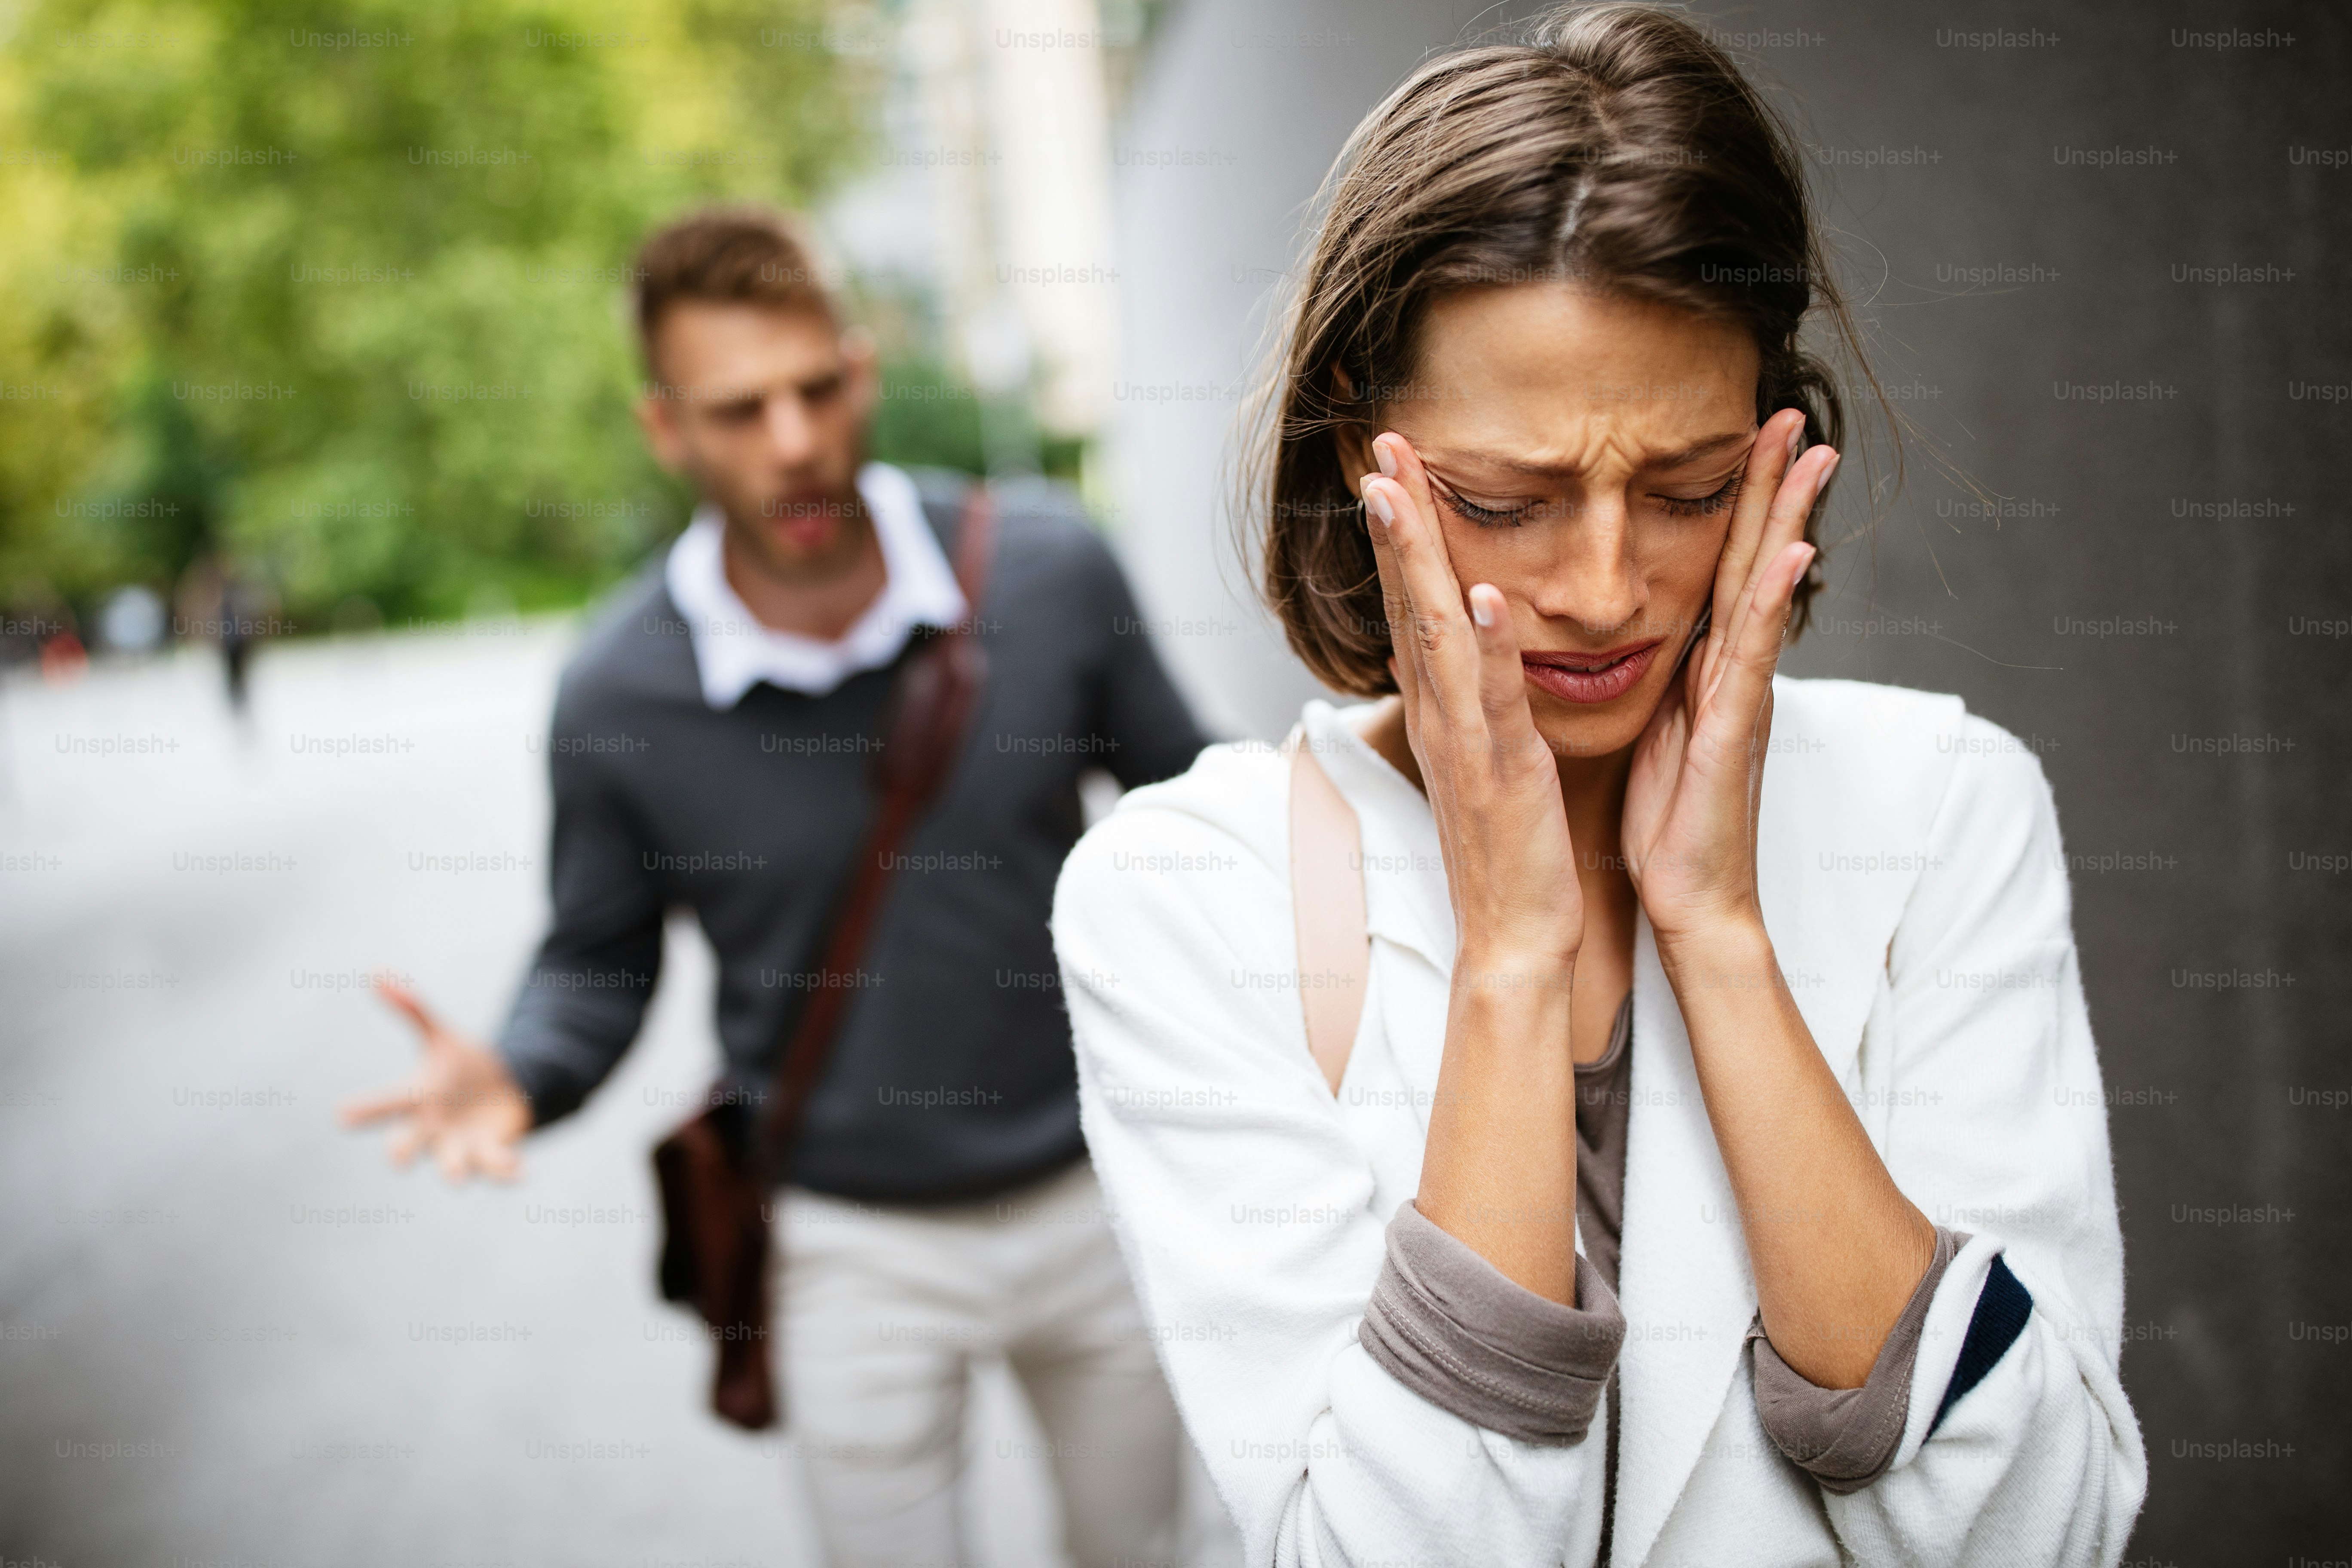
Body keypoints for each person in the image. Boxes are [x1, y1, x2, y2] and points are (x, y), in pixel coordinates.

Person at [1050, 7, 2145, 1566]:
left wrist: (1718, 934)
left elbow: (2043, 1530)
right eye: (1510, 501)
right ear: (1365, 450)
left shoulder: (1948, 808)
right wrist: (1509, 957)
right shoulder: (1186, 894)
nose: (1607, 585)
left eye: (1690, 488)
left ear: (1779, 448)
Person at [342, 207, 1207, 1568]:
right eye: (739, 410)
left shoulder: (1046, 569)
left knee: (1143, 1554)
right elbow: (596, 959)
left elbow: (1198, 818)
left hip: (1098, 1195)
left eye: (817, 389)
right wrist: (519, 1072)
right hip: (846, 1239)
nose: (794, 440)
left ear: (861, 373)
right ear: (667, 429)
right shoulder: (617, 690)